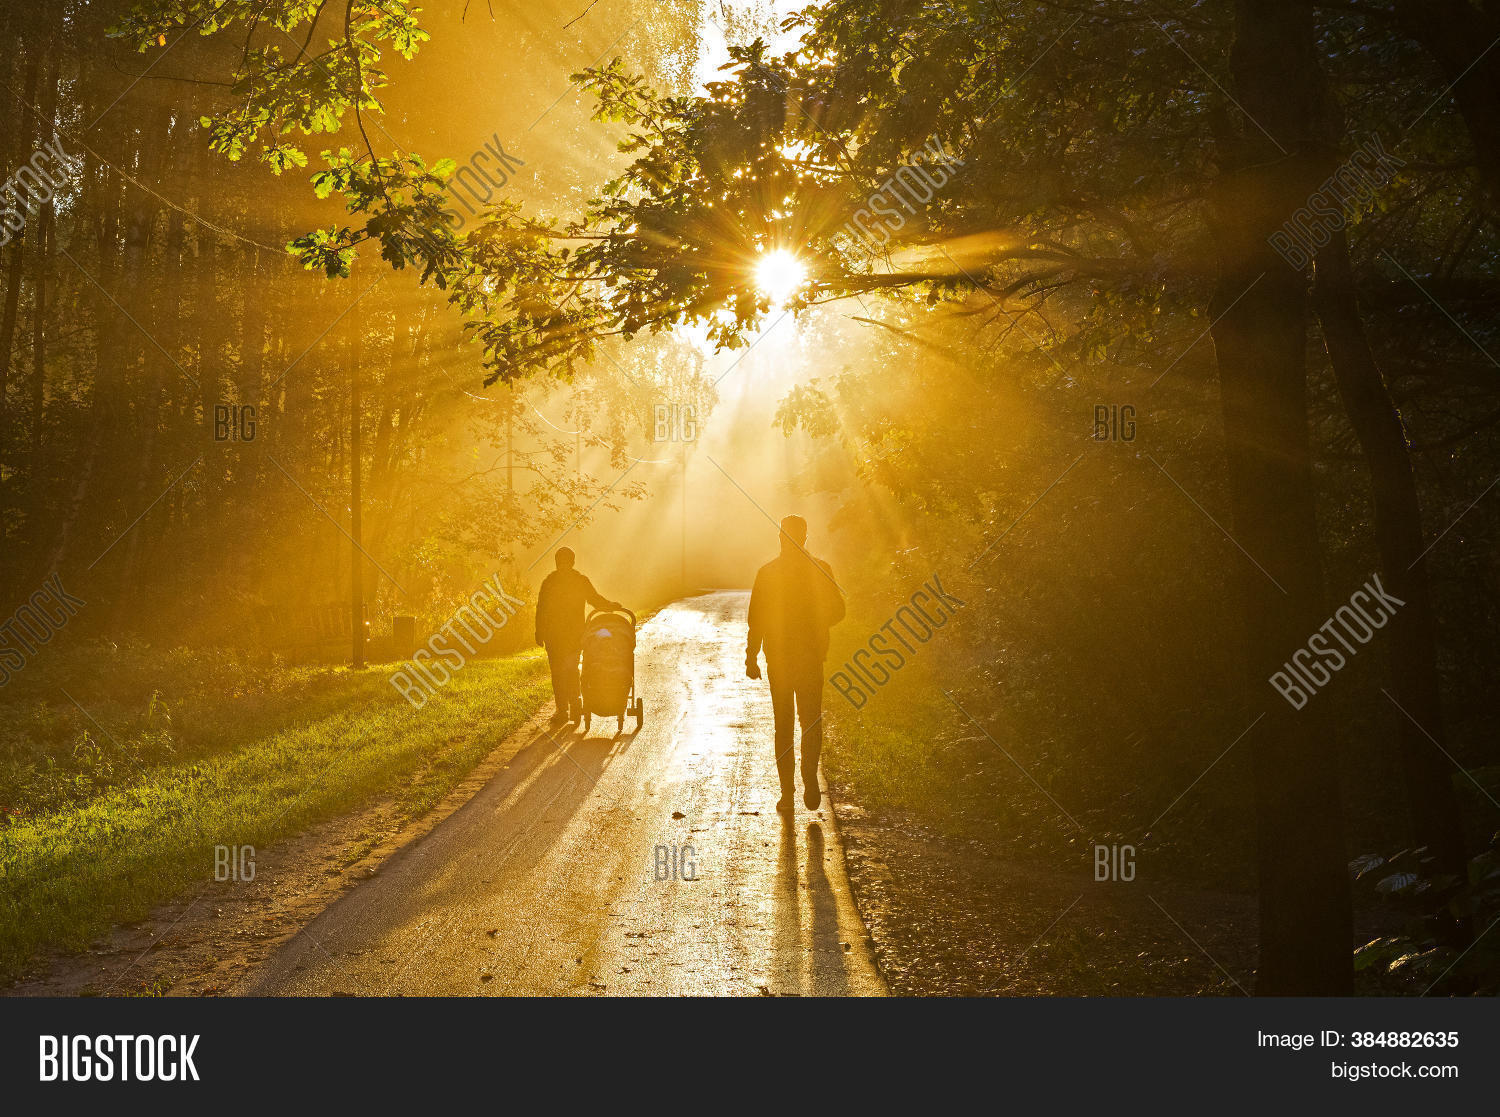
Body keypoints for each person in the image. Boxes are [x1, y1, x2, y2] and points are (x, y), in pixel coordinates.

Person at [745, 515, 845, 813]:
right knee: (811, 721)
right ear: (804, 538)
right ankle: (810, 778)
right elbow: (839, 610)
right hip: (812, 657)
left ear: (780, 538)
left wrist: (751, 657)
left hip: (779, 659)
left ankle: (787, 794)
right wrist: (816, 623)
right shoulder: (821, 569)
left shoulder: (767, 573)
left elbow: (756, 619)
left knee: (784, 725)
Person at [535, 548, 622, 726]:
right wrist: (539, 631)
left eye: (566, 562)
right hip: (554, 636)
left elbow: (594, 599)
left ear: (572, 563)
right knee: (558, 673)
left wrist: (610, 606)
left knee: (571, 670)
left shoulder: (576, 581)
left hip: (573, 636)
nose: (563, 566)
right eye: (560, 562)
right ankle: (562, 710)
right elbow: (541, 608)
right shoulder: (551, 582)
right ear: (557, 563)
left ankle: (574, 706)